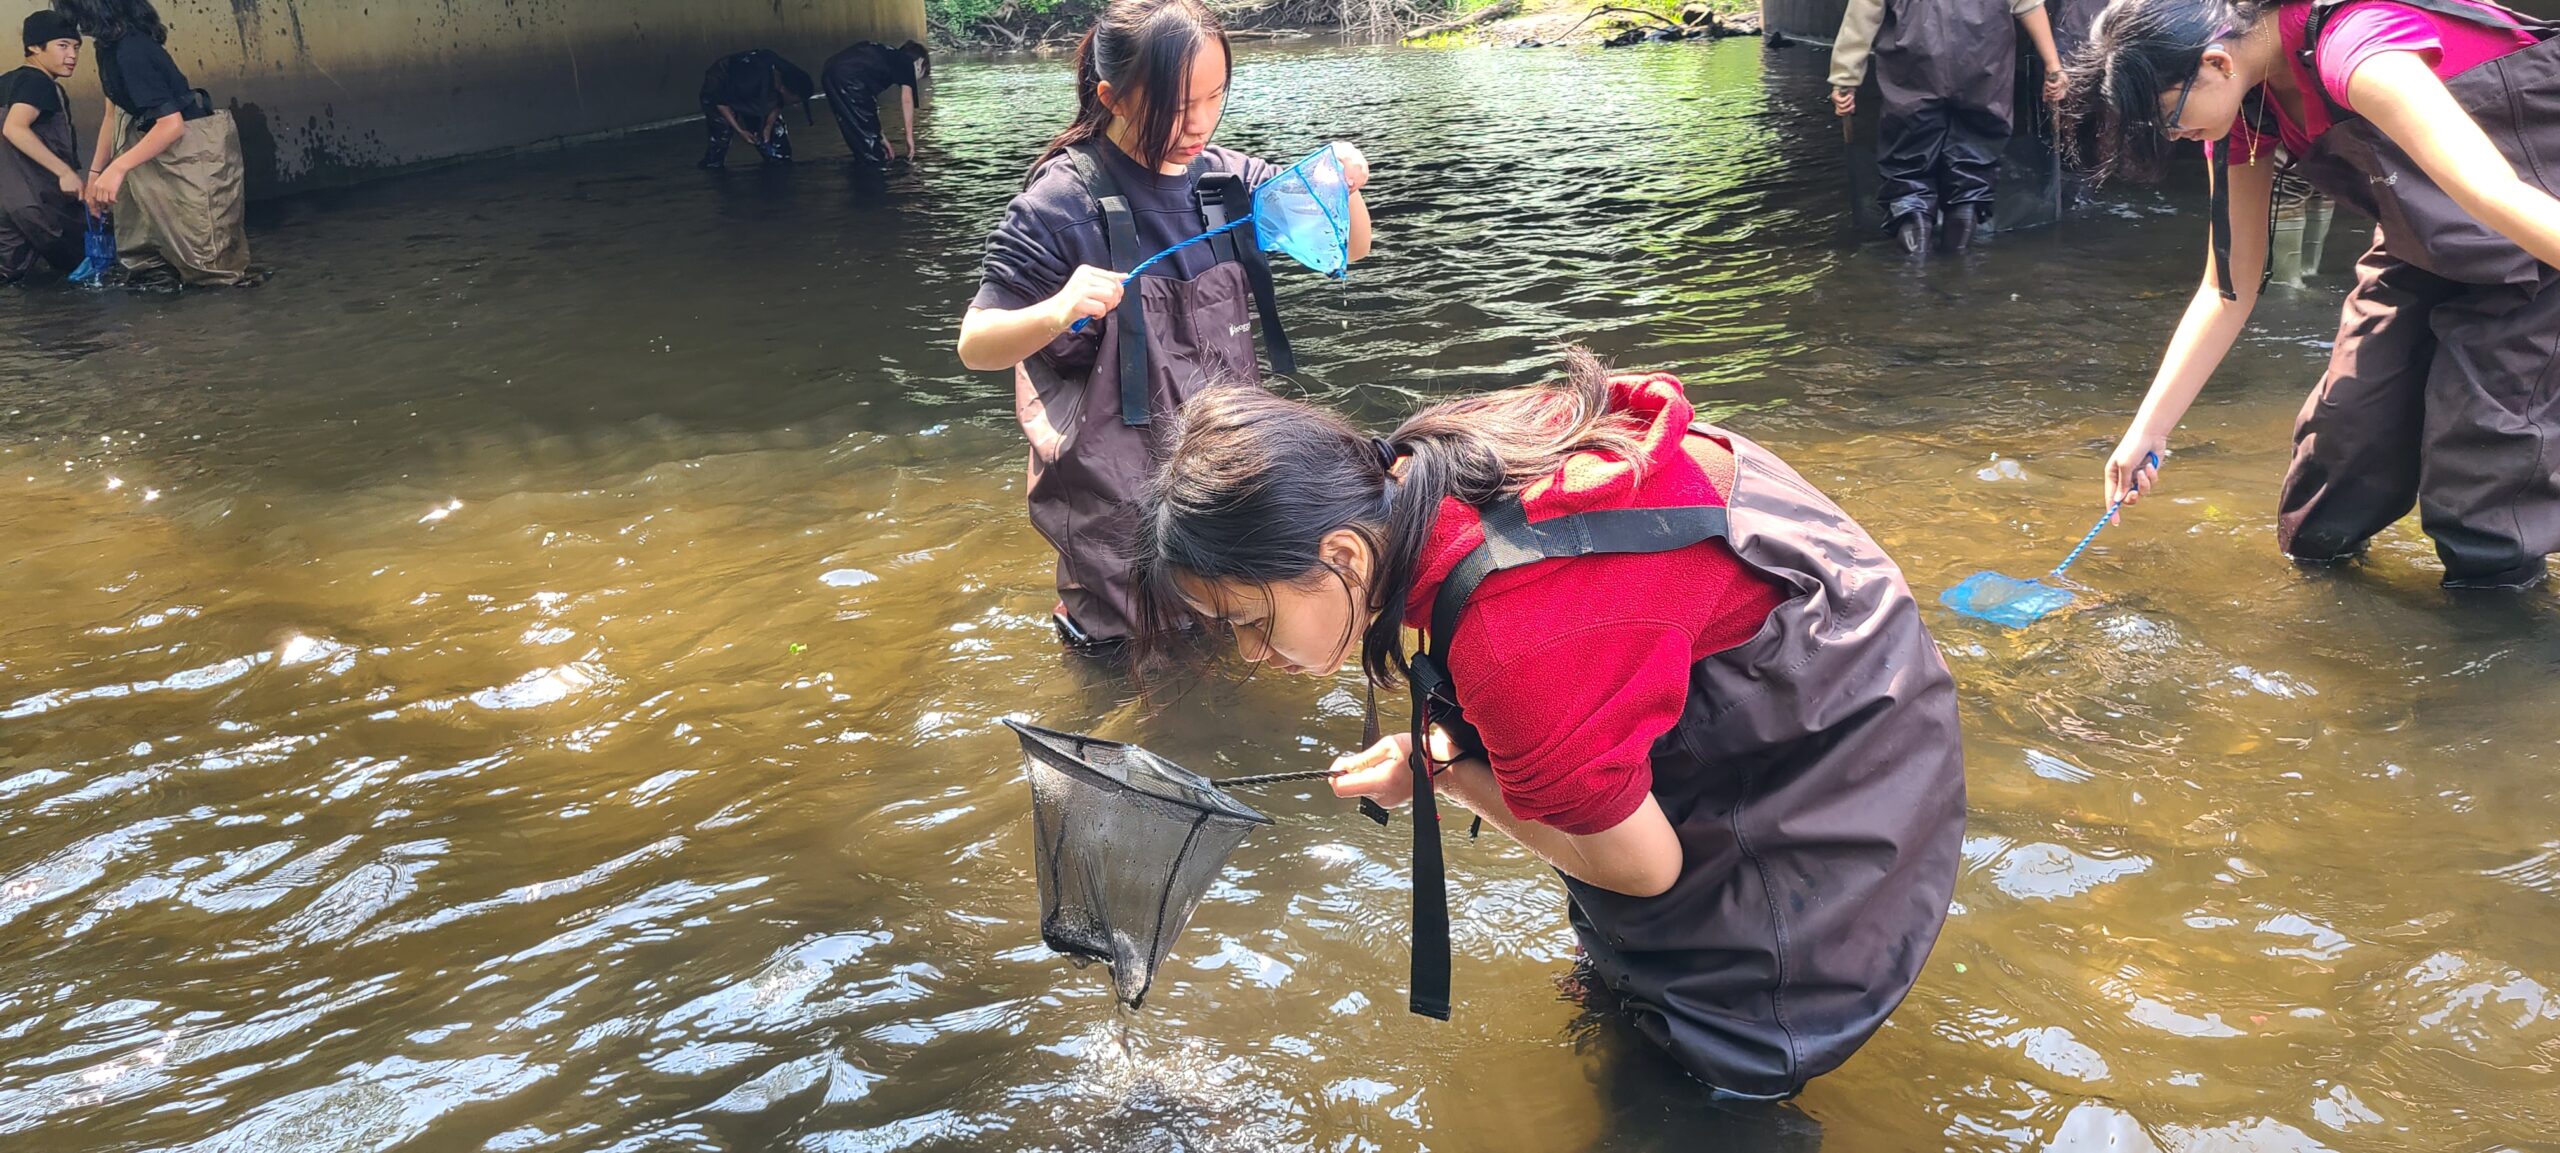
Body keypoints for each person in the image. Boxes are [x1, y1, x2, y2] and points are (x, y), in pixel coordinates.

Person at [1127, 352, 1966, 1100]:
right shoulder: (1431, 461)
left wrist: (1449, 773)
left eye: (1247, 617)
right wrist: (1464, 747)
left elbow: (1644, 868)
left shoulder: (1512, 639)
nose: (1249, 651)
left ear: (1344, 555)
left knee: (1713, 1057)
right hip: (1789, 572)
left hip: (1846, 706)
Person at [2058, 0, 2560, 588]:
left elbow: (2493, 191)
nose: (2173, 136)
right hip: (2422, 235)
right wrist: (2148, 430)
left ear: (2216, 63)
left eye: (2167, 118)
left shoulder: (2358, 48)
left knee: (2481, 463)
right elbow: (2227, 285)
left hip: (2536, 229)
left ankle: (2493, 630)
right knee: (2340, 445)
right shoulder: (2245, 110)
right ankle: (2324, 596)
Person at [954, 0, 1373, 653]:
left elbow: (1355, 246)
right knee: (1128, 667)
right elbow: (976, 343)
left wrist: (1346, 181)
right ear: (1113, 97)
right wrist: (1058, 307)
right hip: (1116, 504)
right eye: (1178, 106)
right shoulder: (1061, 203)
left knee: (1229, 645)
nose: (1200, 123)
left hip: (1221, 493)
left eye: (1216, 97)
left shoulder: (1230, 185)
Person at [1831, 0, 2069, 253]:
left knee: (1909, 165)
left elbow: (1861, 18)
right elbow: (2029, 6)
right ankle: (1958, 262)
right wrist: (2053, 66)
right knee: (1973, 162)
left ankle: (1915, 261)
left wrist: (1845, 80)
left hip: (1914, 69)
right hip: (1983, 65)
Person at [56, 0, 252, 287]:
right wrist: (96, 175)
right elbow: (112, 116)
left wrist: (118, 167)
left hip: (189, 151)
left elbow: (172, 125)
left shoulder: (132, 50)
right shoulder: (108, 47)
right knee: (148, 260)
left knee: (208, 260)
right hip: (151, 143)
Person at [0, 11, 83, 285]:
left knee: (12, 280)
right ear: (34, 47)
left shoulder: (6, 82)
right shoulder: (39, 82)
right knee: (87, 269)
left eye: (76, 47)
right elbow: (14, 127)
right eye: (62, 45)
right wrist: (65, 172)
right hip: (38, 206)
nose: (72, 55)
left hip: (7, 208)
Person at [697, 48, 815, 169]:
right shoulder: (749, 82)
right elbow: (720, 102)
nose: (797, 106)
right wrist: (740, 131)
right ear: (783, 89)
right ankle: (712, 166)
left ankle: (777, 165)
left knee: (776, 145)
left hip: (761, 88)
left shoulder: (788, 74)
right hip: (722, 83)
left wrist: (768, 126)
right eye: (796, 101)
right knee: (722, 134)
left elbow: (779, 102)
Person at [821, 40, 929, 165]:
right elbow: (907, 100)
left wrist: (880, 137)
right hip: (849, 79)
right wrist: (909, 138)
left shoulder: (885, 58)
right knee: (873, 156)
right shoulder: (906, 62)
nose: (913, 81)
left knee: (855, 133)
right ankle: (873, 175)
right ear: (919, 62)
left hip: (830, 72)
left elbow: (867, 108)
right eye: (920, 74)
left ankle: (865, 168)